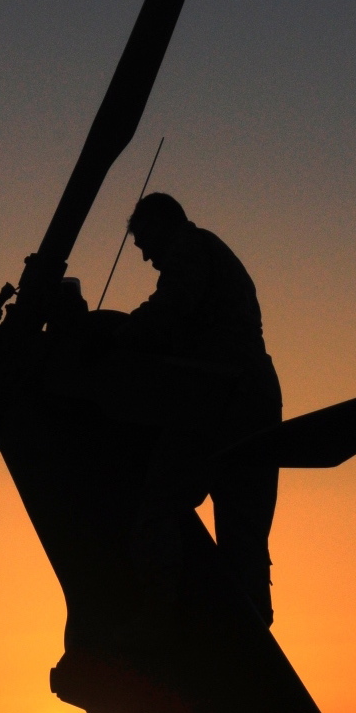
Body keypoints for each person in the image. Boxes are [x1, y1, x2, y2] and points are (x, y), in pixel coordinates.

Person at [122, 192, 282, 626]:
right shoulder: (208, 252)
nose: (147, 259)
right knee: (243, 534)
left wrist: (114, 332)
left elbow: (168, 315)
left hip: (222, 399)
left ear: (162, 226)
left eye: (146, 245)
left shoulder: (191, 250)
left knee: (156, 506)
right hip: (246, 396)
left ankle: (166, 628)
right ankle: (247, 633)